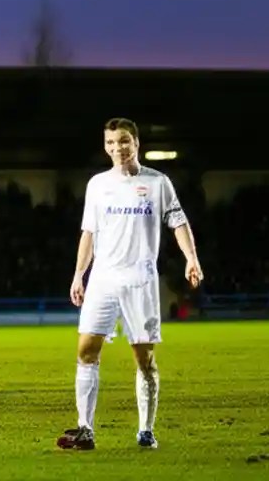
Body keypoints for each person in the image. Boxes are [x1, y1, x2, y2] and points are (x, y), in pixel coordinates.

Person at [57, 118, 203, 451]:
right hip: (103, 280)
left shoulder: (158, 182)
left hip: (140, 281)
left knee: (144, 359)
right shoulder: (97, 184)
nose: (116, 149)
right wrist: (80, 274)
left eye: (123, 141)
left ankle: (146, 429)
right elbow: (89, 233)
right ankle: (85, 429)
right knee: (85, 351)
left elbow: (178, 222)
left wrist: (191, 258)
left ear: (136, 142)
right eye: (110, 143)